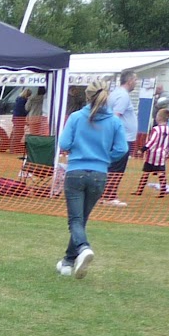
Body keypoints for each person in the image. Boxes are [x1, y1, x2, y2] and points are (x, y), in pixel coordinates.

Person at [54, 80, 128, 279]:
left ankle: (83, 248)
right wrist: (104, 159)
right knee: (82, 219)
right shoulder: (114, 121)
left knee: (75, 220)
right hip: (99, 175)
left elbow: (64, 142)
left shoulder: (77, 117)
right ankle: (68, 261)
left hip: (76, 171)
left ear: (87, 96)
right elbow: (122, 149)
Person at [102, 70, 139, 206]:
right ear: (129, 81)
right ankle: (110, 196)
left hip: (120, 137)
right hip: (122, 138)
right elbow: (116, 116)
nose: (136, 82)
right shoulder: (123, 96)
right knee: (117, 168)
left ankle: (105, 195)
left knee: (112, 166)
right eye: (135, 80)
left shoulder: (115, 93)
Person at [133, 106, 169, 197]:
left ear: (159, 118)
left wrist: (143, 149)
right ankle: (163, 191)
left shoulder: (156, 129)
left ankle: (139, 191)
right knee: (161, 173)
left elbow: (152, 141)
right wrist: (167, 153)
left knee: (146, 173)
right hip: (162, 155)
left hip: (152, 155)